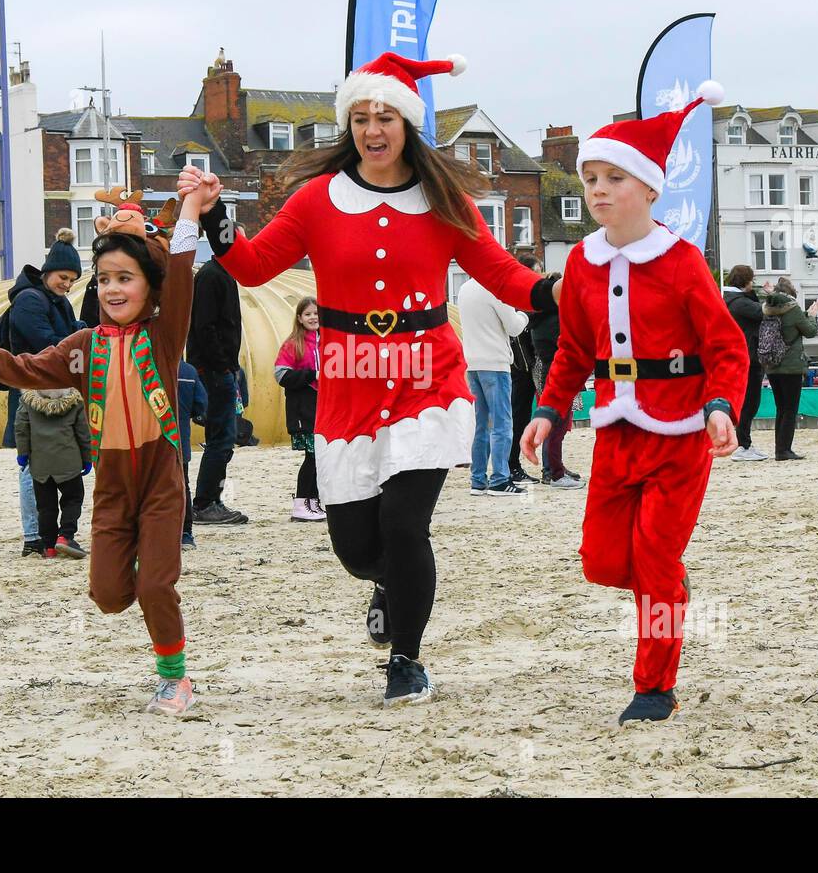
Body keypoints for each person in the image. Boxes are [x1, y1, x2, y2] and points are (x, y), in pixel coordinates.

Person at [177, 52, 561, 706]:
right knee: (357, 549)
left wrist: (558, 290)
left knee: (407, 529)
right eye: (360, 117)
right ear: (348, 126)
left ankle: (406, 661)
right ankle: (390, 582)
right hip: (349, 385)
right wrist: (215, 216)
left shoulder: (444, 200)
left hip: (426, 379)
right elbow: (250, 266)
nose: (372, 128)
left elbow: (504, 275)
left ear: (407, 124)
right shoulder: (317, 198)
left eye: (385, 115)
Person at [520, 82, 748, 725]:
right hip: (615, 432)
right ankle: (668, 590)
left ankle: (654, 685)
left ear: (649, 189)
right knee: (602, 561)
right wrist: (547, 411)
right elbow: (570, 351)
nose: (597, 189)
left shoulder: (680, 262)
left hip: (680, 435)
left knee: (652, 557)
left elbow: (726, 347)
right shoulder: (583, 267)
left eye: (613, 177)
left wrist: (721, 407)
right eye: (590, 177)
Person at [0, 193, 202, 715]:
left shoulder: (163, 333)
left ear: (150, 285)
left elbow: (181, 272)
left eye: (125, 277)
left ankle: (175, 679)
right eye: (103, 279)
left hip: (160, 478)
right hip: (110, 483)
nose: (111, 288)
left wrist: (190, 210)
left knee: (155, 584)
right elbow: (27, 370)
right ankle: (140, 580)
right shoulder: (83, 344)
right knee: (107, 596)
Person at [5, 233, 86, 556]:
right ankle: (35, 536)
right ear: (48, 271)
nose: (67, 284)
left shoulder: (56, 302)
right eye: (63, 277)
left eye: (72, 280)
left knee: (47, 466)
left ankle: (48, 536)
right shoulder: (29, 300)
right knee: (31, 467)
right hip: (32, 389)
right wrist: (75, 337)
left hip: (53, 389)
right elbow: (47, 345)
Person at [187, 249, 248, 526]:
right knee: (221, 438)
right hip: (213, 370)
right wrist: (223, 365)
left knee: (224, 437)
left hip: (219, 367)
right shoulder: (212, 277)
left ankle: (212, 498)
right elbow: (205, 326)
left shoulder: (223, 275)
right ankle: (205, 502)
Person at [459, 275, 530, 496]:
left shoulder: (464, 289)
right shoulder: (495, 287)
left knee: (482, 425)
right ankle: (500, 478)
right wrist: (525, 315)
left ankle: (478, 479)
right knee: (502, 423)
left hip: (473, 363)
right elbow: (514, 327)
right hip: (495, 363)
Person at [15, 387, 91, 559]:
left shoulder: (28, 400)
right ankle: (65, 536)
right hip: (69, 463)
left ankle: (49, 546)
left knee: (46, 507)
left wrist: (23, 453)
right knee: (73, 499)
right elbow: (83, 432)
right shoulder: (75, 401)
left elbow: (21, 427)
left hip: (40, 465)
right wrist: (87, 457)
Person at [275, 296, 327, 521]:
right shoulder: (293, 343)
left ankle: (313, 503)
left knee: (321, 457)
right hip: (303, 409)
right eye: (308, 314)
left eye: (316, 313)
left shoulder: (328, 340)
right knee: (312, 457)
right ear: (299, 318)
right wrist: (310, 375)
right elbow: (281, 375)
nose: (313, 317)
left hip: (324, 407)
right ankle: (301, 504)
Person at [530, 280, 583, 489]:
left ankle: (554, 467)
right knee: (557, 426)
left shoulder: (538, 319)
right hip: (558, 375)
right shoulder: (555, 321)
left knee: (555, 425)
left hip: (546, 371)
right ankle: (554, 472)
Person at [763, 276, 818, 461]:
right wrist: (811, 315)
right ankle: (784, 450)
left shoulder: (768, 309)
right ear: (790, 293)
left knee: (780, 408)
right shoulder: (792, 308)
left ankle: (780, 448)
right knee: (790, 408)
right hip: (791, 365)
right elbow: (809, 331)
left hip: (772, 364)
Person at [723, 266, 769, 461]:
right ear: (745, 282)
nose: (753, 283)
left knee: (748, 402)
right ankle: (743, 445)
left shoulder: (732, 299)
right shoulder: (738, 302)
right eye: (751, 280)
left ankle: (744, 443)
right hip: (748, 356)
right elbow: (763, 312)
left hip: (744, 355)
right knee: (750, 402)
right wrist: (769, 294)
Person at [508, 254, 543, 484]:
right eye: (536, 271)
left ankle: (513, 465)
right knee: (518, 417)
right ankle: (512, 466)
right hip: (521, 366)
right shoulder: (519, 298)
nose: (539, 276)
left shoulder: (524, 296)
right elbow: (517, 329)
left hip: (523, 364)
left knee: (521, 416)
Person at [176, 359, 207, 550]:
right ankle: (185, 533)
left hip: (151, 443)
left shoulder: (144, 367)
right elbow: (200, 405)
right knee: (182, 486)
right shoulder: (188, 371)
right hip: (179, 441)